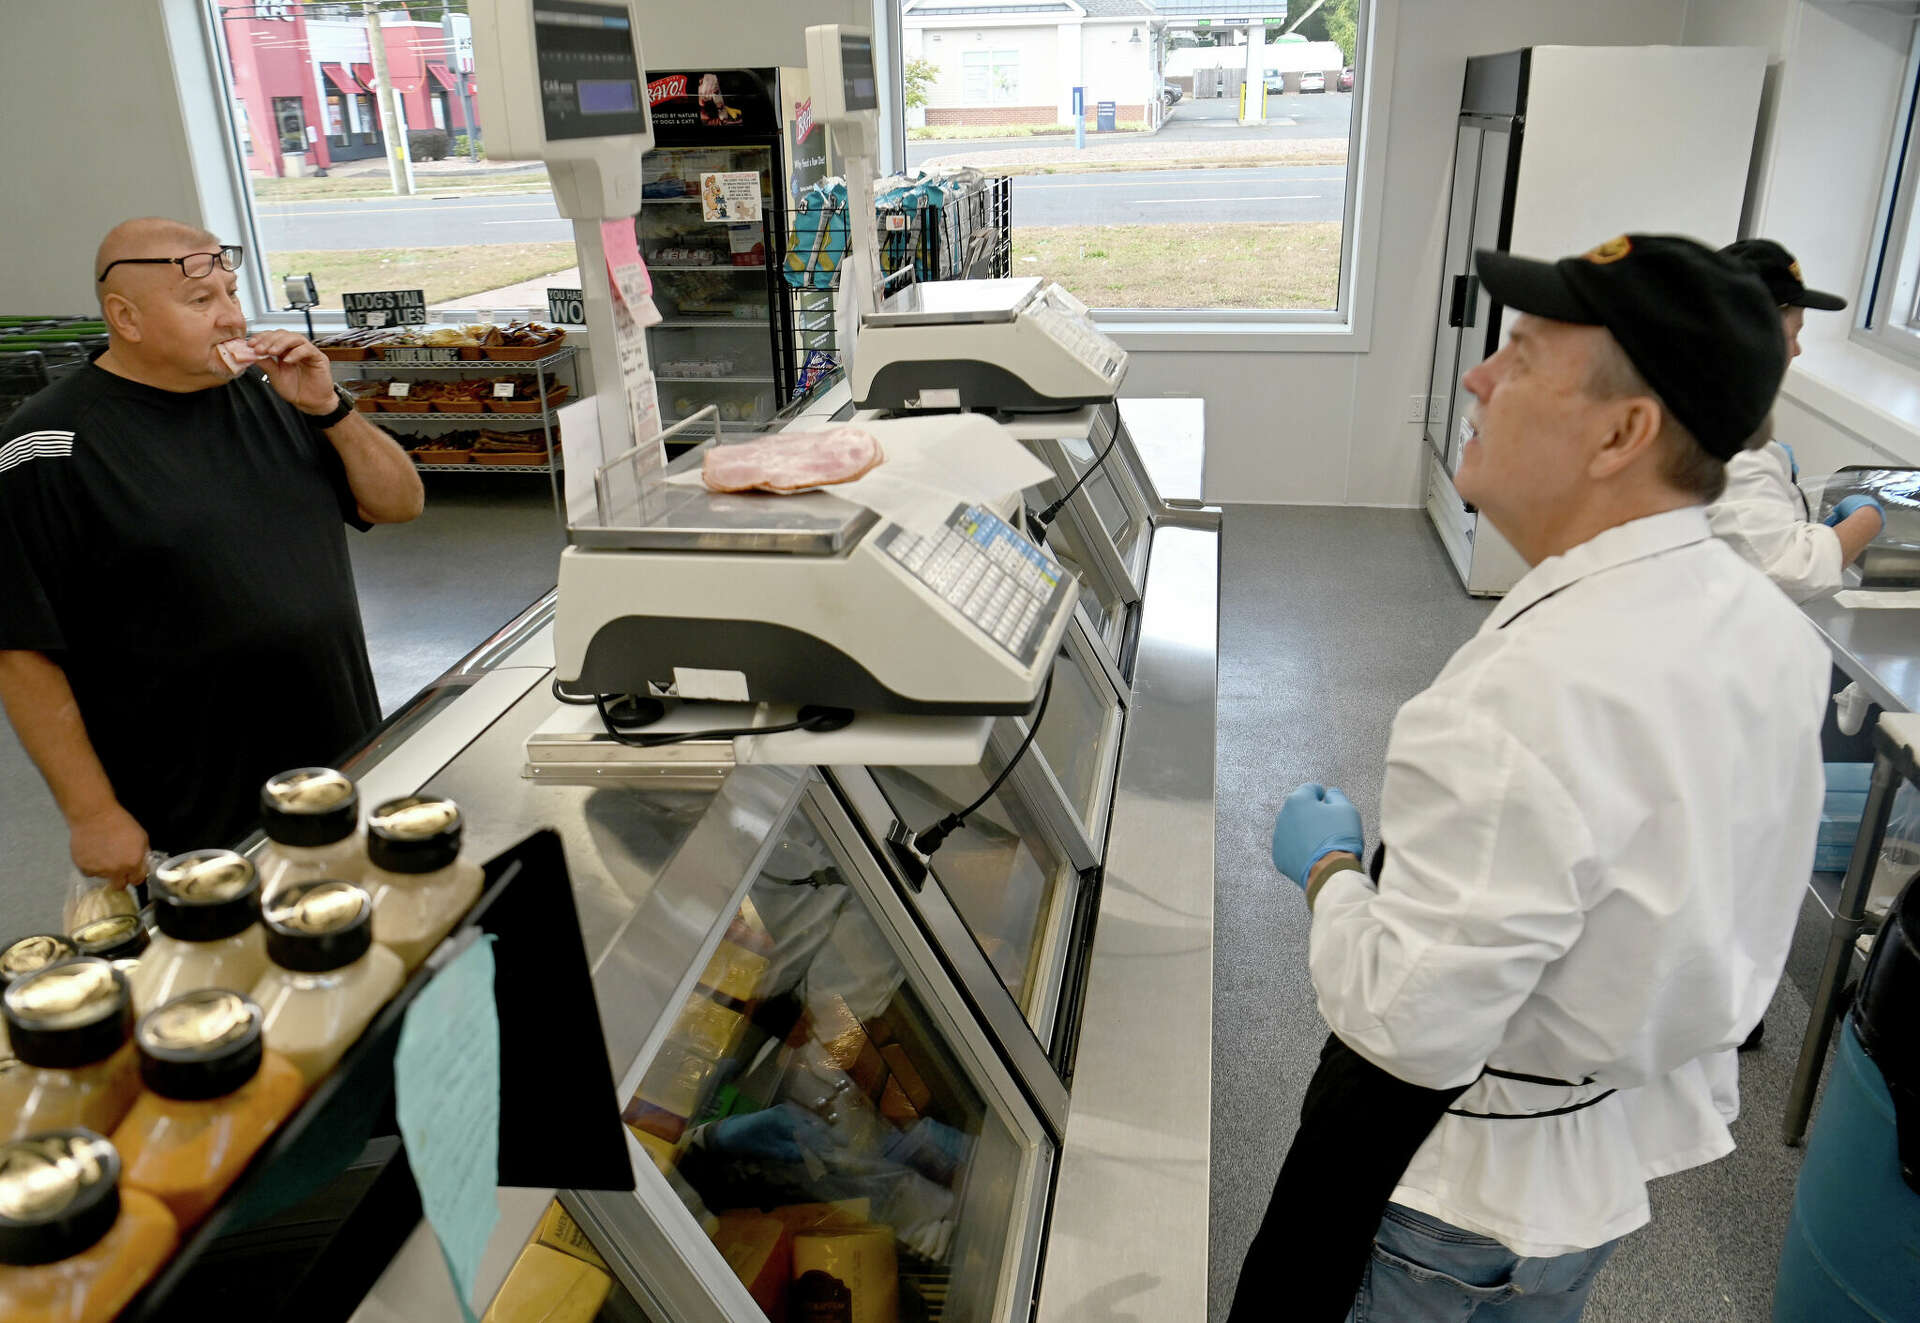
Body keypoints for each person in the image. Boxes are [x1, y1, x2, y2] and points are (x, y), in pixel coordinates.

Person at [1230, 236, 1829, 1322]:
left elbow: (1407, 1023)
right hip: (1587, 1180)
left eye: (1521, 352)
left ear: (1621, 432)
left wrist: (1327, 874)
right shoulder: (1759, 622)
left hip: (1447, 1212)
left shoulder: (1524, 700)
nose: (1478, 376)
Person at [0, 218, 423, 889]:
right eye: (202, 302)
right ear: (126, 318)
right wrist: (92, 812)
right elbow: (21, 647)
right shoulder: (47, 444)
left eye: (231, 292)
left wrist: (329, 408)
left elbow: (399, 502)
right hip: (187, 812)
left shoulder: (273, 394)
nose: (231, 318)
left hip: (339, 764)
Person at [1706, 238, 1884, 600]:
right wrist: (1869, 520)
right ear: (1755, 334)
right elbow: (1790, 573)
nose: (1797, 350)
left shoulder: (1696, 399)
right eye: (1793, 334)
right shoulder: (1729, 444)